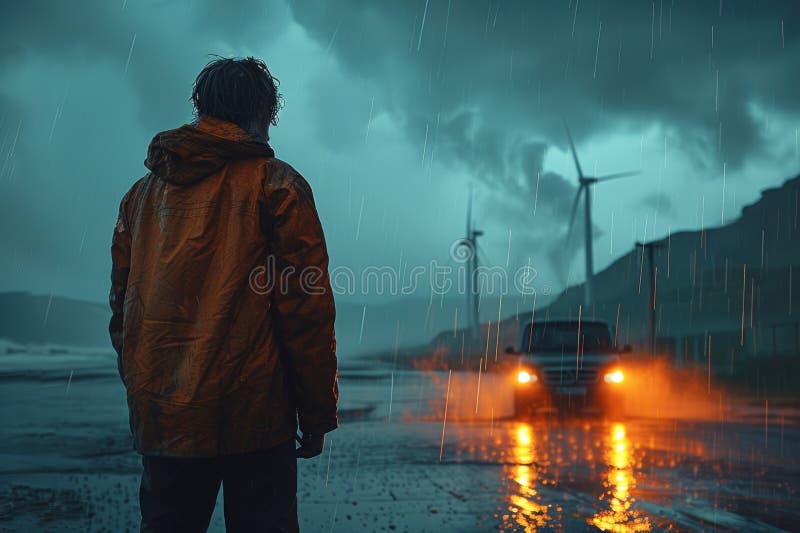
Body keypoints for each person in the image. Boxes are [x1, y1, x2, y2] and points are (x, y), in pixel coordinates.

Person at [108, 56, 338, 532]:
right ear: (263, 112)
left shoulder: (141, 197)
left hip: (166, 418)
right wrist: (316, 412)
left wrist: (149, 393)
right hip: (254, 418)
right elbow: (305, 311)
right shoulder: (278, 186)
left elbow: (122, 310)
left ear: (202, 108)